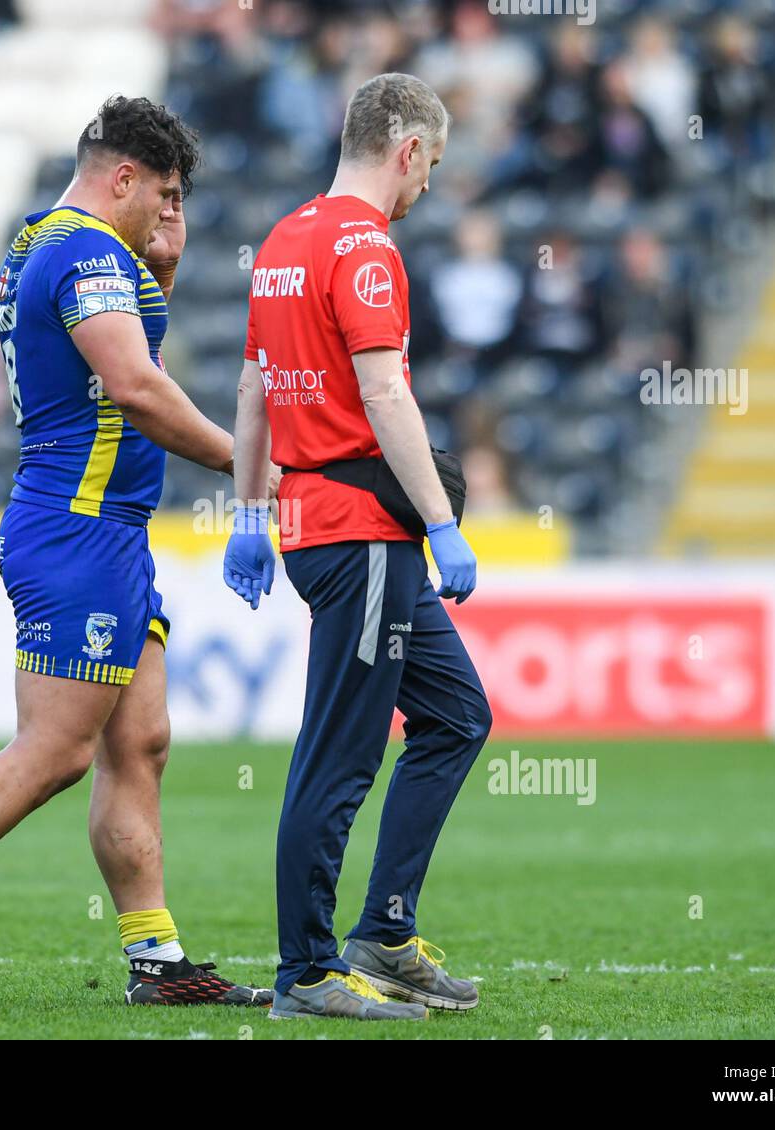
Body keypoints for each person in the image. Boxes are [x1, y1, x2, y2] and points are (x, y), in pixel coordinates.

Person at [0, 96, 271, 1011]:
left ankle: (156, 961)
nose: (169, 211)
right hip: (78, 529)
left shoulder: (47, 242)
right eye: (166, 193)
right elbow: (135, 387)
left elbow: (116, 368)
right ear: (123, 178)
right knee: (57, 751)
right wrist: (246, 463)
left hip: (101, 529)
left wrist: (169, 269)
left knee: (138, 742)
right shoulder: (85, 252)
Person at [224, 72, 492, 1020]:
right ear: (408, 149)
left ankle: (382, 931)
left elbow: (256, 388)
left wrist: (250, 516)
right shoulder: (368, 249)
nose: (425, 191)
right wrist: (447, 522)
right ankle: (306, 972)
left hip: (315, 522)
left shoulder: (287, 240)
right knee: (340, 754)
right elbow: (385, 397)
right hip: (362, 533)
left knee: (459, 715)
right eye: (431, 168)